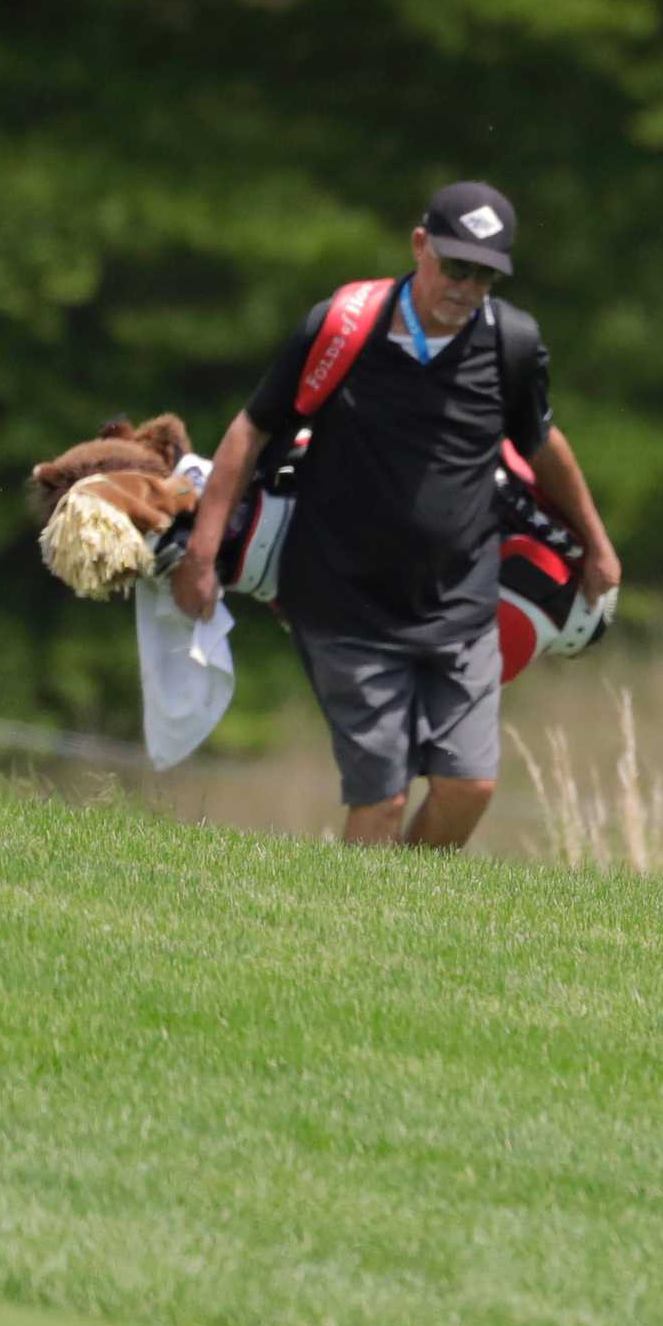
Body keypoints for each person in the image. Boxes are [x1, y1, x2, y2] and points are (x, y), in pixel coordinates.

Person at [172, 183, 620, 848]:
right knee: (381, 800)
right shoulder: (342, 326)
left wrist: (598, 542)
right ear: (420, 245)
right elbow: (250, 431)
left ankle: (396, 916)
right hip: (344, 603)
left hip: (460, 608)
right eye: (456, 264)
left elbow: (542, 444)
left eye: (486, 273)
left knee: (470, 788)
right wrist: (202, 556)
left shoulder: (512, 344)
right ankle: (351, 932)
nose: (467, 285)